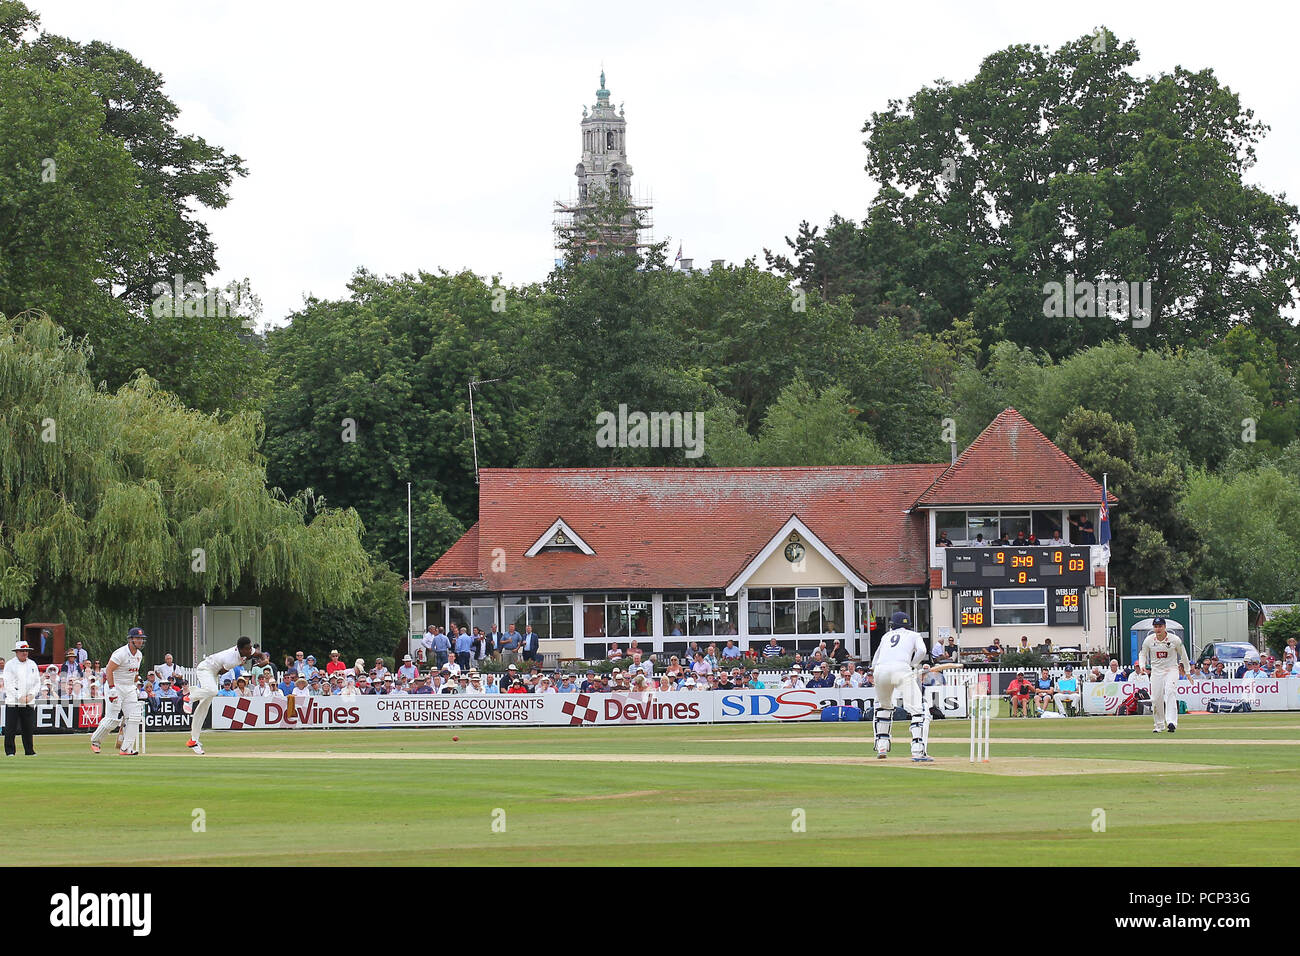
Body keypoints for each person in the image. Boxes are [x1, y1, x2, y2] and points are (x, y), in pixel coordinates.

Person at [870, 611, 932, 761]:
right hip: (901, 670)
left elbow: (875, 659)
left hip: (880, 670)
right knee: (918, 709)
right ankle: (918, 749)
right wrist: (913, 664)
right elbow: (922, 650)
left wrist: (875, 672)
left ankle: (882, 746)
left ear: (892, 625)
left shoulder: (886, 636)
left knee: (883, 707)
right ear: (908, 625)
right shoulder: (914, 635)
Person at [186, 636, 254, 755]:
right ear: (241, 649)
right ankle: (189, 697)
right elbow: (222, 671)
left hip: (213, 674)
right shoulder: (231, 660)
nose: (250, 651)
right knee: (213, 691)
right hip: (205, 669)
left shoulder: (245, 650)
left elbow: (257, 654)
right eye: (248, 649)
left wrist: (264, 660)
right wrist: (242, 661)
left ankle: (193, 740)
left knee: (203, 708)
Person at [89, 627, 148, 756]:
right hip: (115, 686)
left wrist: (136, 685)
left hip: (129, 688)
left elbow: (134, 672)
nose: (140, 641)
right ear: (131, 639)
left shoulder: (139, 655)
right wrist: (112, 689)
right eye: (138, 639)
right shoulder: (120, 653)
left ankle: (126, 748)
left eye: (141, 639)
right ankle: (95, 741)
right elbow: (109, 670)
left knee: (134, 717)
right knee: (112, 720)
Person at [1138, 617, 1189, 734]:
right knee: (1156, 698)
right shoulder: (1149, 640)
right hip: (1156, 671)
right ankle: (1159, 725)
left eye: (1160, 626)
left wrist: (1187, 671)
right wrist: (1142, 665)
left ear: (1165, 627)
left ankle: (1171, 722)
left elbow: (1184, 655)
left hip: (1171, 670)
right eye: (1156, 626)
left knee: (1170, 692)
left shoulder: (1175, 639)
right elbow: (1142, 654)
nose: (1158, 629)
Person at [3, 639, 40, 757]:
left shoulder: (32, 664)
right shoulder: (10, 664)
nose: (25, 653)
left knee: (28, 728)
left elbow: (37, 682)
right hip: (13, 701)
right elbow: (8, 684)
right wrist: (19, 697)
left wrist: (31, 695)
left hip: (29, 701)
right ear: (17, 652)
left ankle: (29, 751)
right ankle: (10, 751)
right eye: (22, 651)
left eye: (26, 651)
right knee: (10, 728)